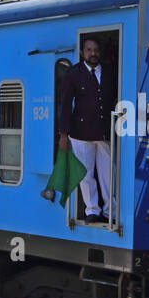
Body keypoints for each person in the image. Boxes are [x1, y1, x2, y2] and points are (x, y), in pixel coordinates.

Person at [57, 37, 116, 222]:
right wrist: (63, 135)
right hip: (80, 132)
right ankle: (92, 210)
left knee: (108, 173)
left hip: (104, 130)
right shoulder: (74, 73)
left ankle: (110, 211)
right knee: (86, 174)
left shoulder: (110, 72)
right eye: (89, 50)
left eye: (96, 50)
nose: (93, 54)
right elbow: (65, 105)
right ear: (82, 52)